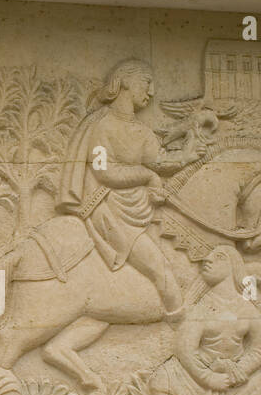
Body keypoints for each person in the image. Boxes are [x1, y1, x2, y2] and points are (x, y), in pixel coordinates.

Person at [57, 58, 198, 318]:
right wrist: (147, 176)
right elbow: (104, 170)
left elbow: (158, 160)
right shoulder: (102, 125)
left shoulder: (142, 131)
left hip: (138, 209)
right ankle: (182, 331)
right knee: (162, 271)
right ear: (125, 82)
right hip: (109, 211)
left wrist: (188, 153)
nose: (152, 91)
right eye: (146, 82)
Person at [149, 245, 261, 395]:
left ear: (233, 266)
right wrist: (208, 377)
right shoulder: (202, 307)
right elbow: (185, 348)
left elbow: (260, 346)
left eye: (218, 258)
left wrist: (241, 370)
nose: (207, 261)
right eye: (207, 258)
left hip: (238, 379)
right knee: (161, 380)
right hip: (202, 374)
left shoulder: (246, 307)